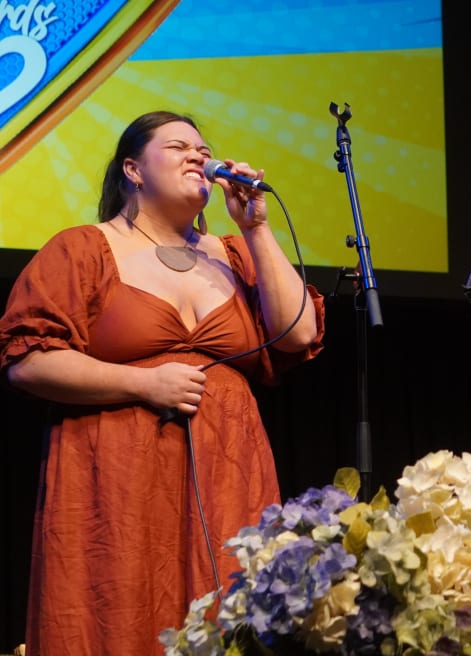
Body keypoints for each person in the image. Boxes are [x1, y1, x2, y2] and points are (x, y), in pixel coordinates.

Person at [0, 111, 326, 655]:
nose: (199, 156)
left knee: (233, 609)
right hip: (116, 469)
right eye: (179, 147)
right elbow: (28, 361)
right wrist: (143, 385)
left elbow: (300, 333)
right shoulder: (85, 248)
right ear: (133, 169)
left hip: (230, 466)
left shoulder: (233, 253)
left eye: (203, 149)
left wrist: (256, 227)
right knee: (120, 608)